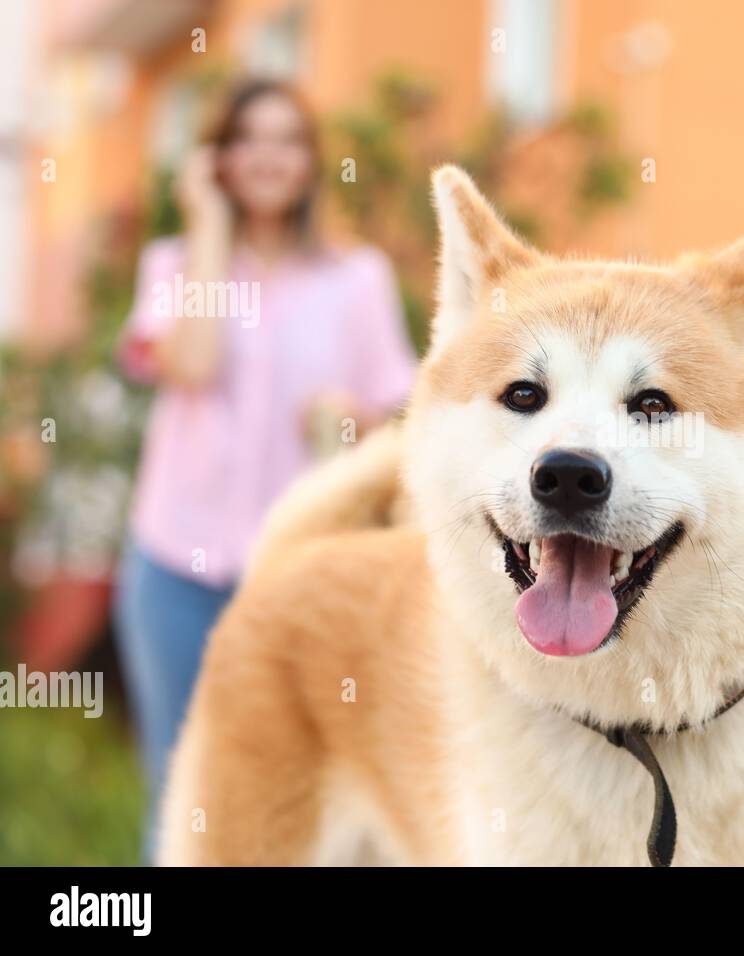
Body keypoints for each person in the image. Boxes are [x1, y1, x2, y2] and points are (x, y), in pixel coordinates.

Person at [113, 79, 416, 853]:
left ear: (311, 161)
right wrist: (208, 224)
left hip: (304, 576)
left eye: (288, 139)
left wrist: (357, 417)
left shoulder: (357, 279)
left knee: (316, 795)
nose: (268, 157)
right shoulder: (174, 264)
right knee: (184, 791)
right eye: (248, 138)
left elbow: (401, 418)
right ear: (219, 156)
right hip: (178, 568)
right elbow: (192, 361)